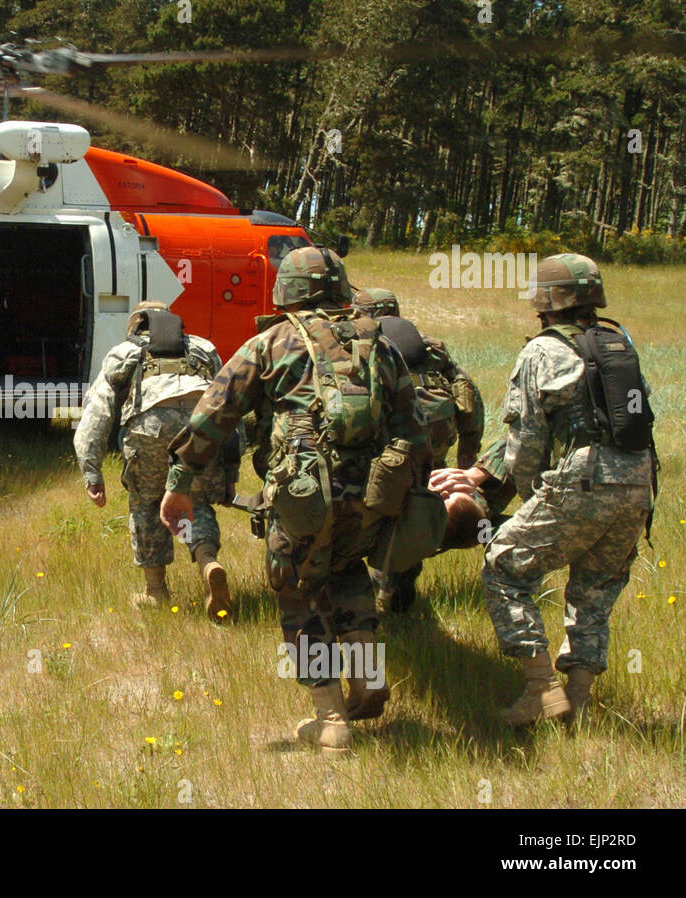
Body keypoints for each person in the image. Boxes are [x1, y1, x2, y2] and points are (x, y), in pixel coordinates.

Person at [160, 247, 430, 753]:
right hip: (372, 492)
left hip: (303, 495)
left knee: (298, 592)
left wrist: (178, 484)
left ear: (286, 290)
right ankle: (368, 678)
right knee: (349, 574)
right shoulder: (381, 345)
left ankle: (330, 720)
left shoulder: (271, 342)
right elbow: (414, 430)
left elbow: (214, 415)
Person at [431, 254, 656, 725]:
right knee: (595, 588)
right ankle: (576, 699)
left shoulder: (541, 352)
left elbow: (526, 447)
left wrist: (533, 496)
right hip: (639, 483)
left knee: (504, 566)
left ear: (544, 301)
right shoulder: (619, 343)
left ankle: (540, 689)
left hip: (584, 479)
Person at [74, 301, 241, 622]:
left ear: (137, 325)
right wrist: (230, 468)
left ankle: (156, 592)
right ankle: (208, 563)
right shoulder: (204, 349)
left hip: (148, 430)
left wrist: (91, 470)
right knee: (198, 502)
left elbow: (97, 412)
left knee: (147, 503)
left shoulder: (124, 352)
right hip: (201, 429)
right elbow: (230, 402)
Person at [352, 287, 485, 611]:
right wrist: (465, 465)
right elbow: (470, 405)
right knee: (414, 517)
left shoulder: (358, 349)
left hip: (381, 457)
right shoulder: (434, 354)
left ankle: (354, 601)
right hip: (431, 460)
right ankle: (398, 595)